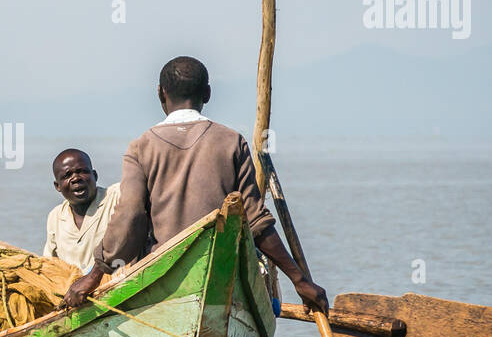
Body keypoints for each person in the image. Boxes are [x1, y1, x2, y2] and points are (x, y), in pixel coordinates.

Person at [62, 56, 327, 313]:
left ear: (160, 94)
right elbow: (256, 222)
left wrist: (95, 274)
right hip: (221, 277)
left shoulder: (141, 147)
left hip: (161, 279)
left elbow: (130, 217)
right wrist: (299, 280)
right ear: (208, 93)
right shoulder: (232, 141)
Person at [42, 149, 122, 273]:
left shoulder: (117, 197)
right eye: (67, 175)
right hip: (73, 289)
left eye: (82, 172)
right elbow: (49, 264)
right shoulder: (56, 216)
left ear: (94, 175)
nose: (75, 178)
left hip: (117, 284)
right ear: (57, 186)